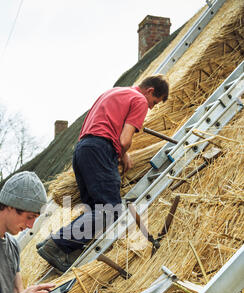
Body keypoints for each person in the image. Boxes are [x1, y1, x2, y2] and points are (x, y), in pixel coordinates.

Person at [37, 75, 169, 272]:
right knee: (111, 210)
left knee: (94, 210)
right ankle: (56, 245)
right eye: (154, 102)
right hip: (101, 149)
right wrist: (123, 154)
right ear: (150, 91)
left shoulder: (114, 92)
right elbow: (124, 140)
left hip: (83, 150)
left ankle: (61, 248)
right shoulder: (139, 100)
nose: (151, 108)